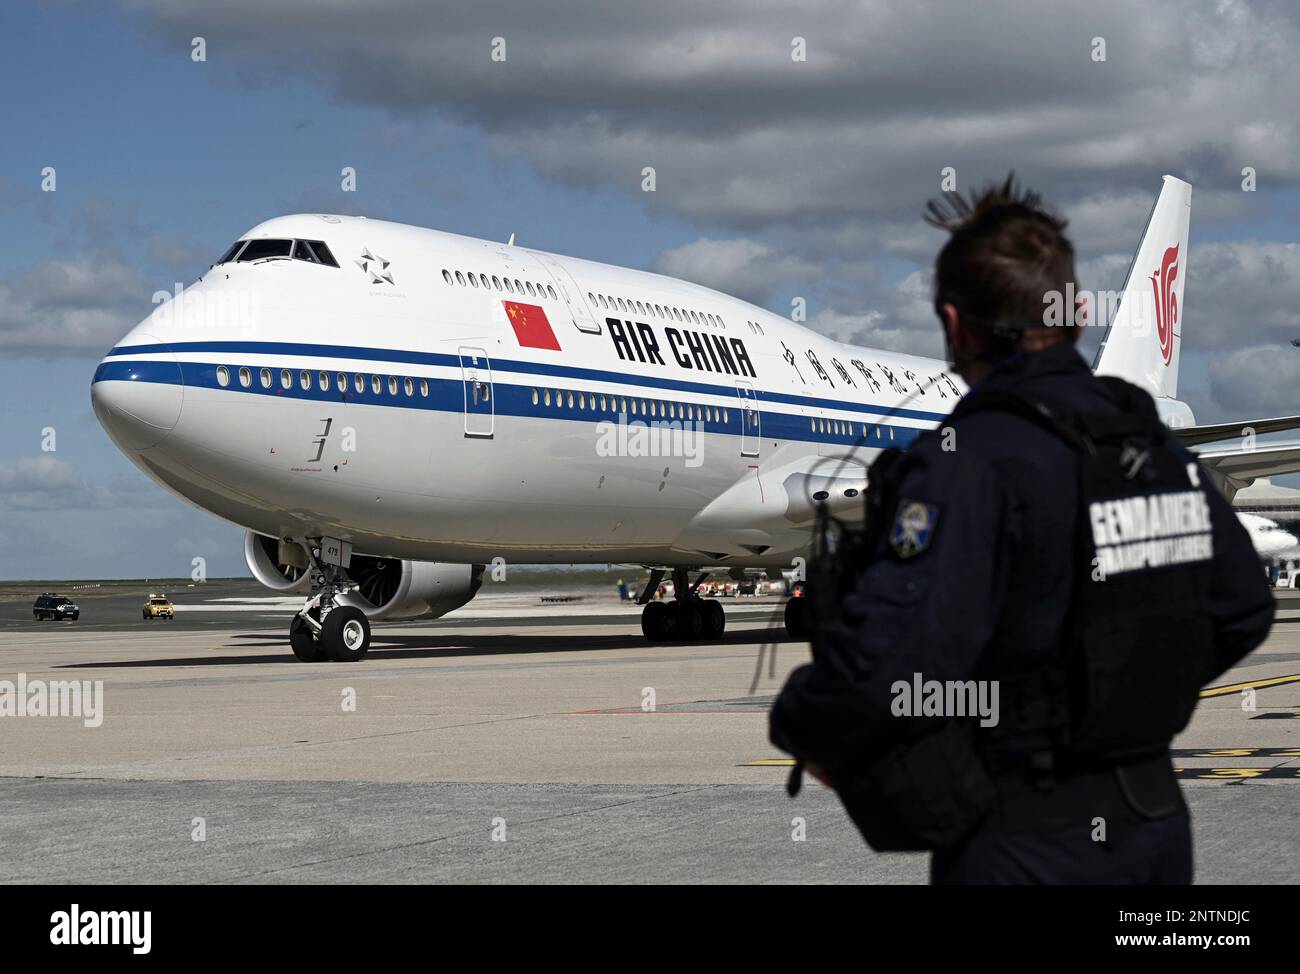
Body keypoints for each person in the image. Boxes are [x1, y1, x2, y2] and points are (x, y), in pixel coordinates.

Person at [769, 175, 1275, 884]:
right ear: (1076, 317)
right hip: (1153, 824)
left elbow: (885, 663)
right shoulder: (1152, 450)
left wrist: (799, 722)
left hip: (1023, 833)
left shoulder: (965, 462)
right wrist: (1127, 705)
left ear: (955, 325)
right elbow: (1243, 605)